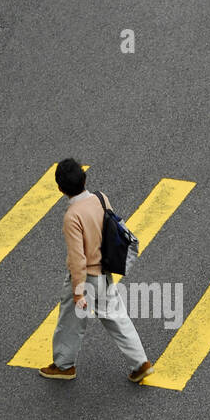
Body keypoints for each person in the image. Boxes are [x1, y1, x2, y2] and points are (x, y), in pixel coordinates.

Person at [39, 158, 153, 383]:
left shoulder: (72, 216)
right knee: (117, 318)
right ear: (84, 179)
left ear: (60, 188)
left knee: (70, 321)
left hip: (86, 278)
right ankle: (141, 364)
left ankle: (64, 366)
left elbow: (77, 258)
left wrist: (77, 291)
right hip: (105, 274)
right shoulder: (101, 199)